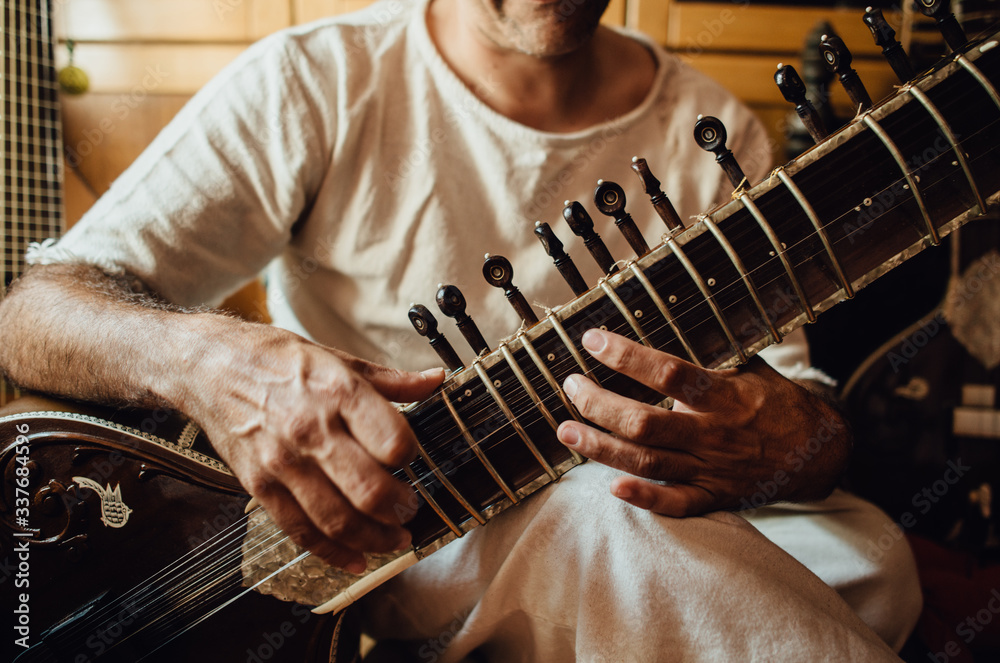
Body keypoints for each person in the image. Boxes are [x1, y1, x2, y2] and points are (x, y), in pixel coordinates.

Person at [0, 0, 921, 659]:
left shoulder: (707, 124)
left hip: (666, 504)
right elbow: (31, 313)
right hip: (399, 533)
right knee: (610, 526)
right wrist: (208, 359)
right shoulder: (318, 80)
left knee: (872, 556)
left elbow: (794, 412)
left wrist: (795, 440)